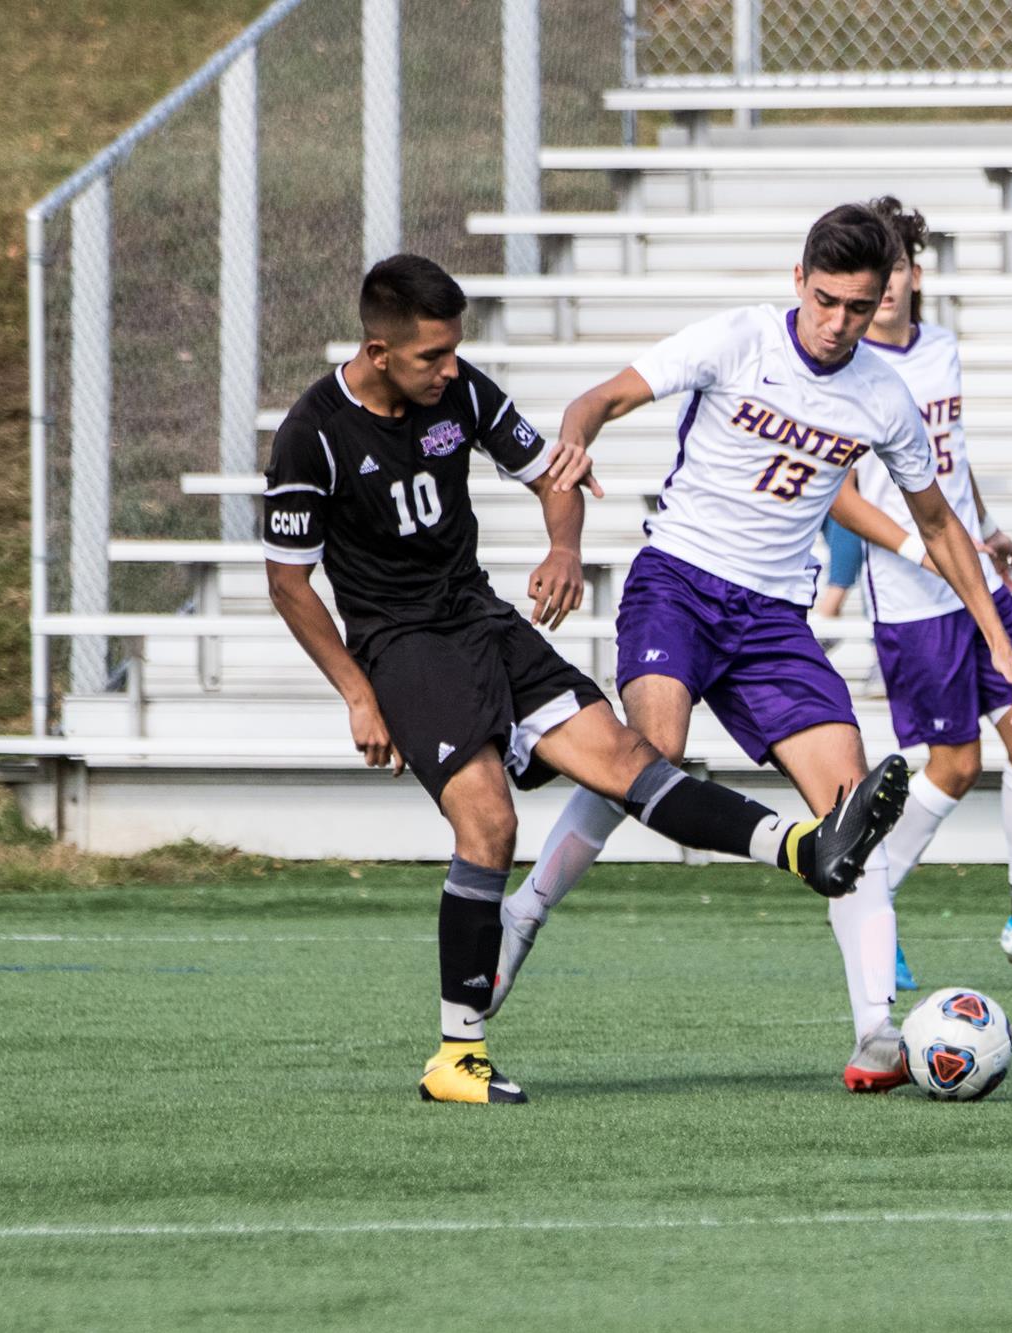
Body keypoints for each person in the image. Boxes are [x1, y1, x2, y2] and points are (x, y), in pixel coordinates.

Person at [263, 255, 910, 1105]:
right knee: (489, 821)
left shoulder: (459, 393)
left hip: (484, 621)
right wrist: (356, 691)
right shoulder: (312, 433)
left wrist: (562, 546)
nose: (451, 368)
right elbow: (288, 580)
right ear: (378, 352)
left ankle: (806, 848)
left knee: (631, 759)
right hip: (402, 647)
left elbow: (554, 471)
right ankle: (458, 1054)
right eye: (432, 357)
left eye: (456, 351)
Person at [506, 204, 1012, 1092]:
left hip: (770, 621)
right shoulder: (738, 341)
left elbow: (940, 523)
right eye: (826, 301)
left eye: (858, 309)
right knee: (654, 759)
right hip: (676, 581)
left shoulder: (882, 395)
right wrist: (573, 456)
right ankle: (522, 914)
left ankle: (876, 1035)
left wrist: (998, 639)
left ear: (879, 304)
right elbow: (597, 399)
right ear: (799, 282)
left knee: (852, 805)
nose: (838, 324)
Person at [831, 196, 1012, 987]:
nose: (888, 285)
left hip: (976, 577)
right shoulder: (845, 372)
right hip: (914, 597)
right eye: (876, 273)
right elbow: (839, 496)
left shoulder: (943, 348)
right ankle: (869, 901)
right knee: (954, 765)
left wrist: (982, 525)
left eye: (898, 269)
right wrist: (915, 551)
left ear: (915, 275)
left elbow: (949, 455)